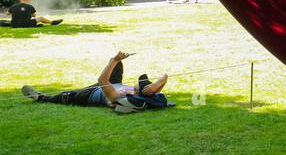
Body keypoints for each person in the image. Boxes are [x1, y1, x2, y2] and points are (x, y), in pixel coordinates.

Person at [22, 50, 173, 113]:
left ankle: (40, 97)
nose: (135, 84)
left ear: (140, 91)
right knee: (116, 64)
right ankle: (114, 61)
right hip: (112, 84)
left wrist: (115, 60)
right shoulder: (148, 96)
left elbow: (101, 81)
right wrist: (155, 85)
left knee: (65, 96)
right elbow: (164, 76)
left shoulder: (122, 99)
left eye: (138, 85)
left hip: (92, 93)